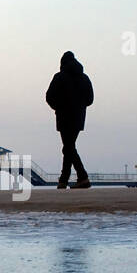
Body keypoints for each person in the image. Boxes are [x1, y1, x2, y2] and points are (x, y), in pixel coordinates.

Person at [45, 50, 94, 189]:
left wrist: (58, 107)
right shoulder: (84, 78)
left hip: (64, 117)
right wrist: (80, 106)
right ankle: (63, 180)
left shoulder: (60, 77)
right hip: (78, 118)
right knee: (69, 147)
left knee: (68, 147)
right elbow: (90, 99)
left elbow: (49, 97)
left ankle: (82, 177)